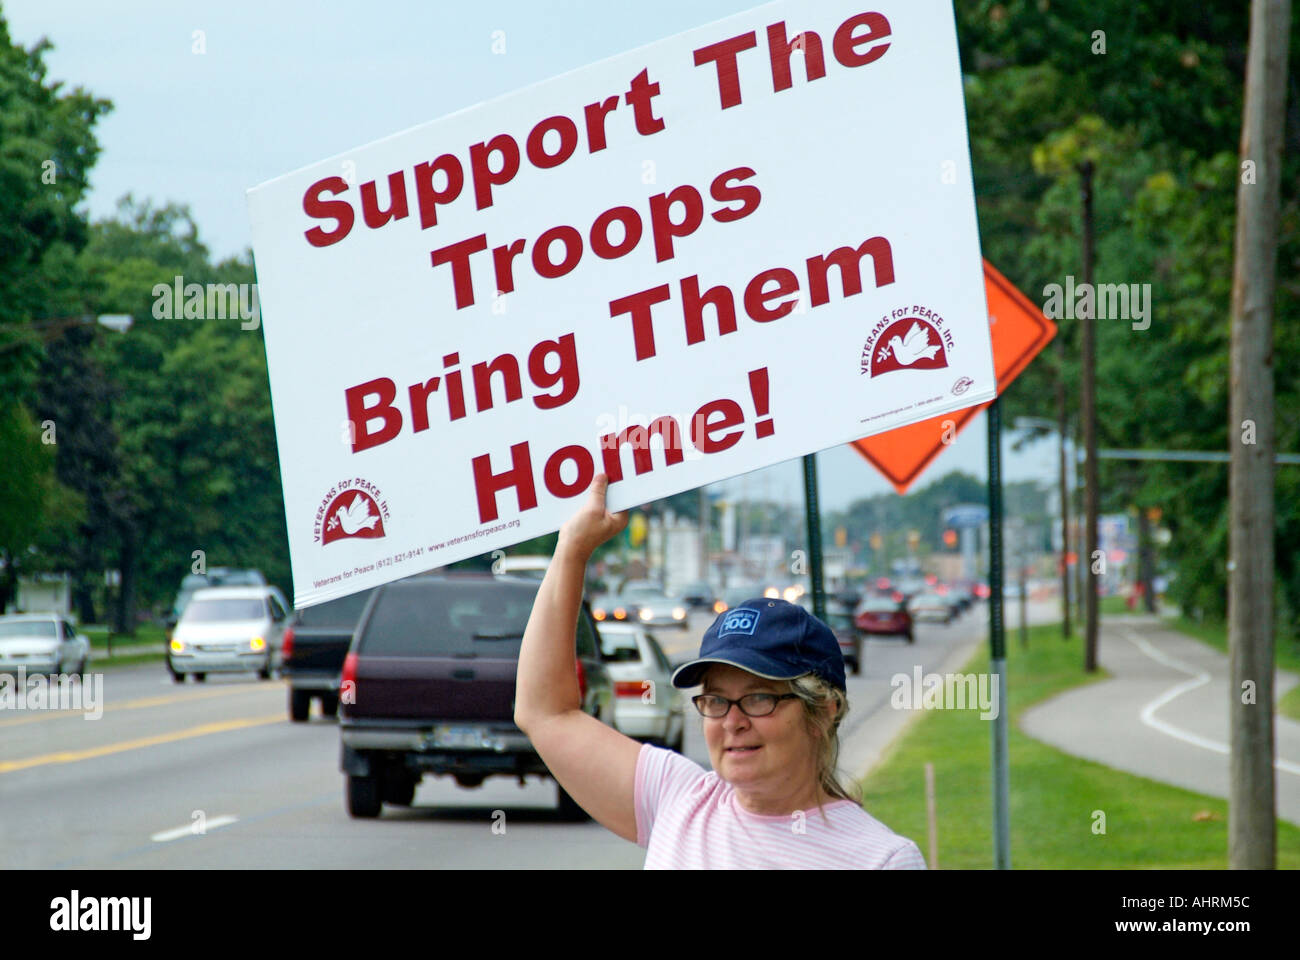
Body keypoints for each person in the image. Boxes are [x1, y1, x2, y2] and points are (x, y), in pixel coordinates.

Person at [515, 474, 926, 869]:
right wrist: (572, 549)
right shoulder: (677, 799)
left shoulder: (879, 859)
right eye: (715, 700)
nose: (732, 722)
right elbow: (545, 712)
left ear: (824, 710)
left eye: (758, 698)